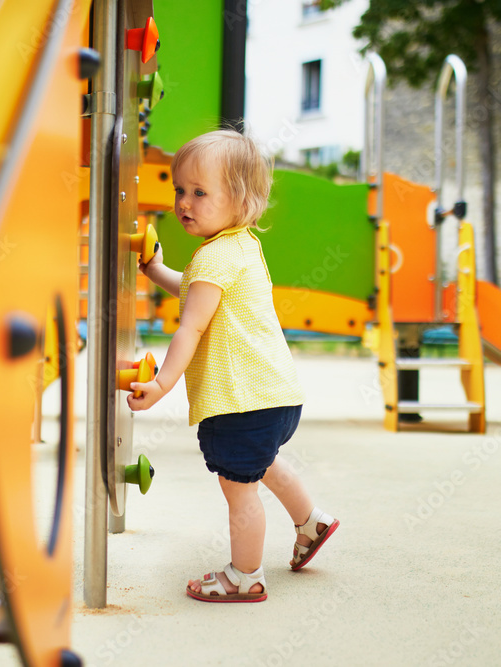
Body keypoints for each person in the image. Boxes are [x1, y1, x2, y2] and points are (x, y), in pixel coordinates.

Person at [128, 129, 338, 603]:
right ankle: (312, 523)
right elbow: (197, 290)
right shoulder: (238, 247)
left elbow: (191, 327)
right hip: (276, 397)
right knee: (264, 465)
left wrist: (162, 384)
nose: (185, 202)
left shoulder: (213, 258)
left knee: (239, 492)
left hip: (241, 401)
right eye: (180, 190)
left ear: (239, 200)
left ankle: (246, 575)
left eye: (200, 193)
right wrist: (156, 270)